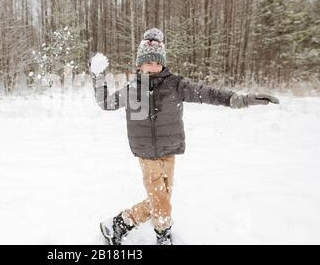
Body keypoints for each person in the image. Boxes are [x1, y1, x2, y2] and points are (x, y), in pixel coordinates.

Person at [91, 28, 279, 245]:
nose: (152, 67)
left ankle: (117, 225)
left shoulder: (176, 84)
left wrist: (240, 99)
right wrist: (98, 76)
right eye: (147, 62)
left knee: (162, 199)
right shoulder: (133, 89)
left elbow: (209, 93)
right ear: (139, 64)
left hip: (169, 151)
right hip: (146, 153)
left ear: (162, 62)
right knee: (160, 199)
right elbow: (106, 103)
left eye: (156, 62)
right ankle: (163, 236)